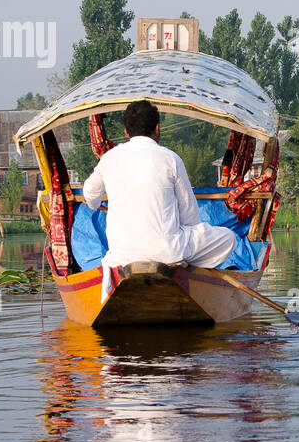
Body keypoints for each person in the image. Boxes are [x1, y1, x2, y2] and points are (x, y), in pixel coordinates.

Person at [82, 100, 251, 297]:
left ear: (127, 132)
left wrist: (94, 203)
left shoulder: (109, 158)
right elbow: (190, 218)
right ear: (157, 128)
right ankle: (186, 272)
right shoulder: (170, 158)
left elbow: (90, 196)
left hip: (122, 255)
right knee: (228, 238)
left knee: (193, 239)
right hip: (168, 252)